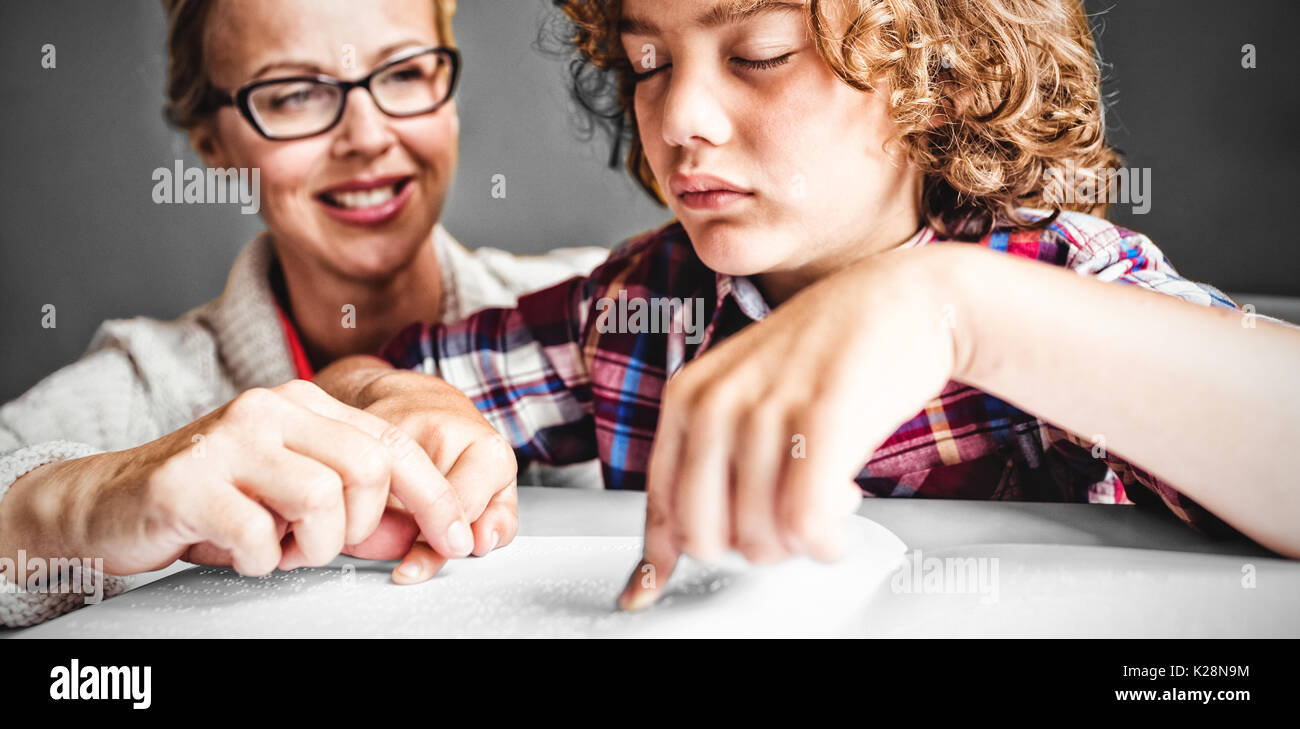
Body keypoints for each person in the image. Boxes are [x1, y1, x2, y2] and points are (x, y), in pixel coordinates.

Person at [316, 0, 1300, 612]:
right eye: (648, 62)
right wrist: (406, 411)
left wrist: (957, 309)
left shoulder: (1056, 276)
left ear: (936, 71)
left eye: (761, 52)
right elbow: (362, 383)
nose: (679, 121)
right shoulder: (635, 309)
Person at [0, 0, 609, 628]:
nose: (369, 137)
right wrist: (79, 507)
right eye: (295, 95)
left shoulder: (612, 318)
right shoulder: (140, 393)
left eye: (403, 72)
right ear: (212, 142)